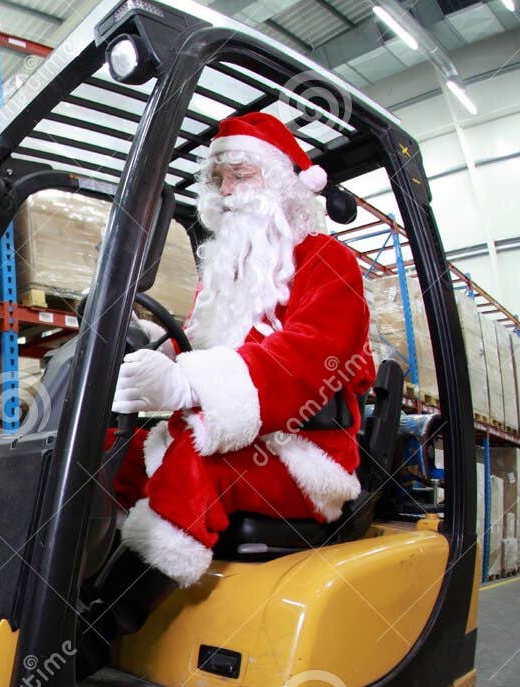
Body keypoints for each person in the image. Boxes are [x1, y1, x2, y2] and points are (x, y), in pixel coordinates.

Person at [110, 111, 375, 588]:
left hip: (303, 450)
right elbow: (198, 341)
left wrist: (186, 382)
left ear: (281, 185)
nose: (226, 191)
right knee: (105, 454)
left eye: (240, 175)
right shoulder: (224, 276)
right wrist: (154, 351)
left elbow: (304, 365)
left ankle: (104, 625)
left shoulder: (329, 263)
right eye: (218, 179)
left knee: (192, 465)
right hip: (229, 434)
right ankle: (69, 583)